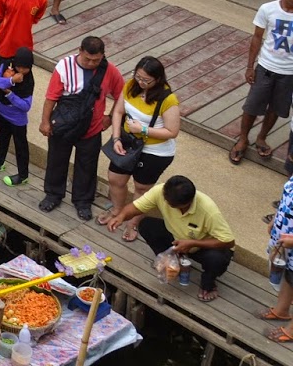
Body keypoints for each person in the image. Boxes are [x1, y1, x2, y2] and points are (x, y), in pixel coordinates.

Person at [107, 175, 235, 302]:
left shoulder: (208, 210)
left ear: (186, 203)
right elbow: (136, 207)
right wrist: (121, 216)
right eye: (165, 200)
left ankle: (209, 284)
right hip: (176, 239)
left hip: (201, 246)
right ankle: (171, 259)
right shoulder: (161, 191)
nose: (166, 203)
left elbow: (228, 241)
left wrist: (192, 243)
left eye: (171, 204)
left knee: (218, 259)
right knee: (146, 225)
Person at [39, 35, 123, 219]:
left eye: (96, 60)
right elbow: (51, 97)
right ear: (80, 51)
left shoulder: (109, 71)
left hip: (91, 129)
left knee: (87, 165)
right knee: (56, 161)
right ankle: (53, 194)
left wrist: (109, 117)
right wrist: (45, 121)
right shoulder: (63, 66)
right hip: (64, 126)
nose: (92, 63)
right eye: (88, 59)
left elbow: (122, 96)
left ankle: (83, 201)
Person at [101, 56, 182, 243]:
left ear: (158, 79)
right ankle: (117, 210)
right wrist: (116, 138)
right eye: (138, 77)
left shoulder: (167, 100)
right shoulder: (130, 86)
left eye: (146, 80)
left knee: (142, 187)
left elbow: (172, 131)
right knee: (115, 178)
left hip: (155, 150)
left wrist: (144, 129)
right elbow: (119, 112)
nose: (141, 82)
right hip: (129, 141)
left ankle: (133, 222)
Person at [231, 0, 293, 166]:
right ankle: (243, 138)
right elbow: (257, 37)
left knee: (276, 107)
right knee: (252, 106)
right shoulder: (268, 9)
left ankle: (261, 137)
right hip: (266, 66)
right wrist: (250, 66)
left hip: (289, 72)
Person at [0, 48, 36, 187]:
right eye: (18, 66)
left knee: (21, 147)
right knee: (3, 139)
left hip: (17, 119)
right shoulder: (6, 66)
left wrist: (9, 94)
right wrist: (11, 80)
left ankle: (23, 175)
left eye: (25, 68)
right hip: (3, 113)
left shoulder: (29, 82)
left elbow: (26, 106)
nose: (21, 70)